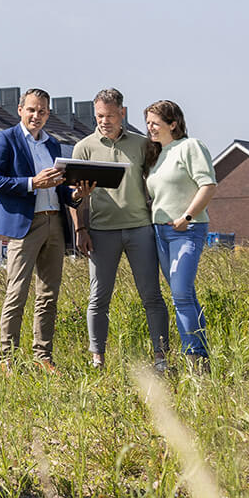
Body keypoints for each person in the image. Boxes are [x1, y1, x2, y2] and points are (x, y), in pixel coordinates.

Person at [70, 88, 169, 372]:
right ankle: (97, 359)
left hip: (140, 229)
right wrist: (80, 229)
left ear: (122, 113)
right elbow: (73, 197)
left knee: (152, 296)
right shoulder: (83, 148)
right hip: (101, 232)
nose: (104, 121)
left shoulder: (142, 144)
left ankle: (161, 357)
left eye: (110, 116)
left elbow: (157, 183)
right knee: (98, 298)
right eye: (100, 116)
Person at [0, 88, 79, 372]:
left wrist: (76, 195)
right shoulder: (4, 139)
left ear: (48, 114)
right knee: (17, 292)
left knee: (48, 294)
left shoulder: (53, 145)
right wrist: (32, 183)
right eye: (32, 110)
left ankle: (43, 357)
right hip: (24, 224)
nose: (37, 115)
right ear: (20, 110)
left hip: (54, 222)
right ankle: (7, 359)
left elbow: (58, 188)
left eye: (42, 111)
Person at [142, 100, 217, 371]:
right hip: (160, 231)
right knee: (185, 295)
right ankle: (200, 357)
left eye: (155, 123)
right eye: (148, 123)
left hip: (186, 230)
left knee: (181, 294)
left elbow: (208, 185)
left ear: (173, 124)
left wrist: (187, 217)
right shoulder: (156, 155)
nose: (150, 128)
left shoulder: (190, 146)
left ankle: (196, 358)